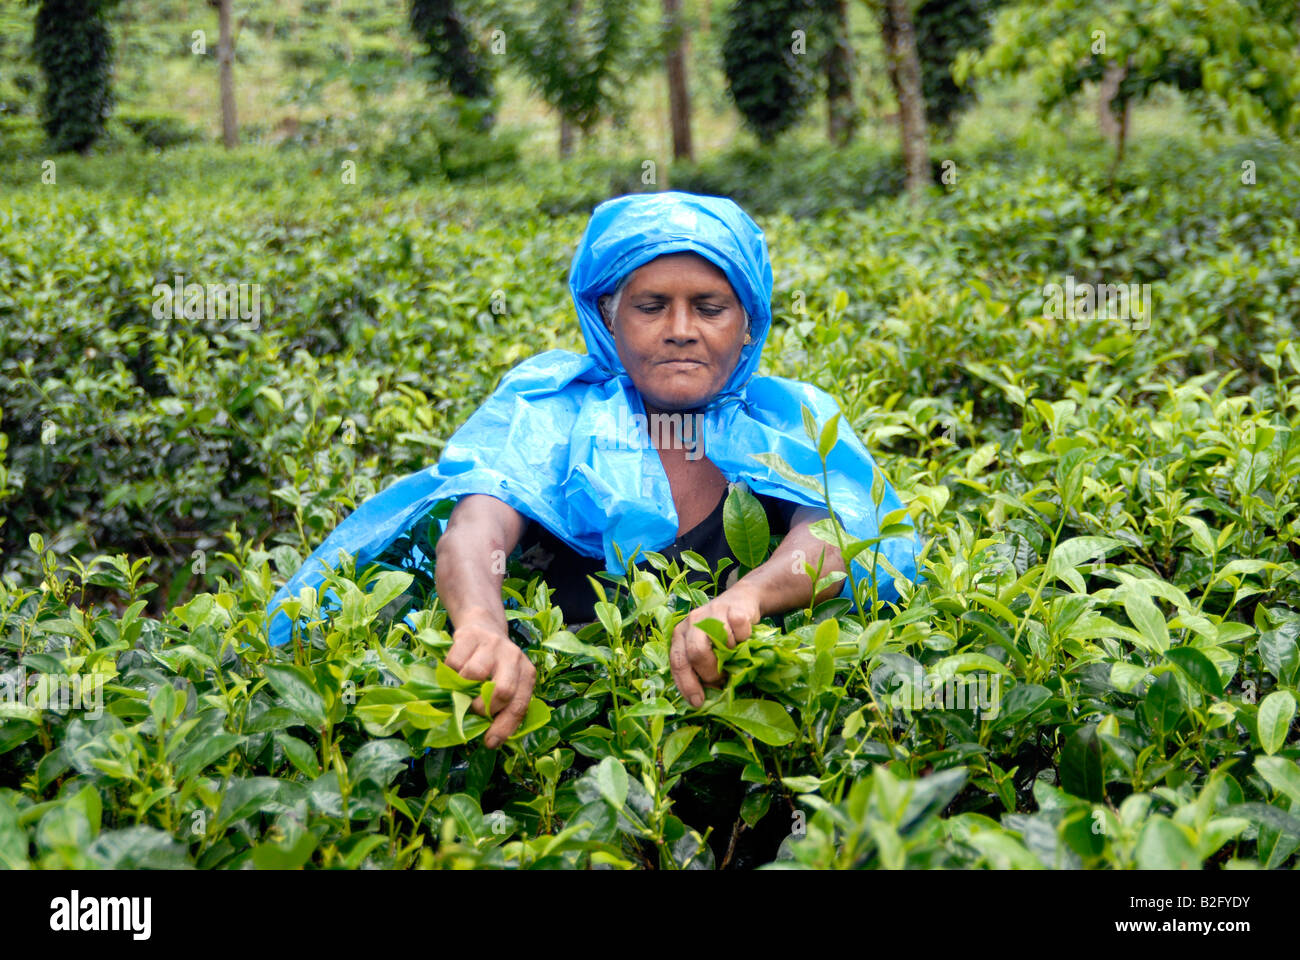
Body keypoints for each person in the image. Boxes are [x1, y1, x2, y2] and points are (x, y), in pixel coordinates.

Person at [265, 191, 920, 750]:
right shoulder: (551, 411)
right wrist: (482, 625)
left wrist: (749, 596)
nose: (682, 329)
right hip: (559, 739)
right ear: (607, 319)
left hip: (735, 743)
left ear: (748, 324)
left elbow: (837, 530)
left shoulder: (788, 420)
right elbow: (476, 526)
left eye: (711, 307)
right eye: (651, 305)